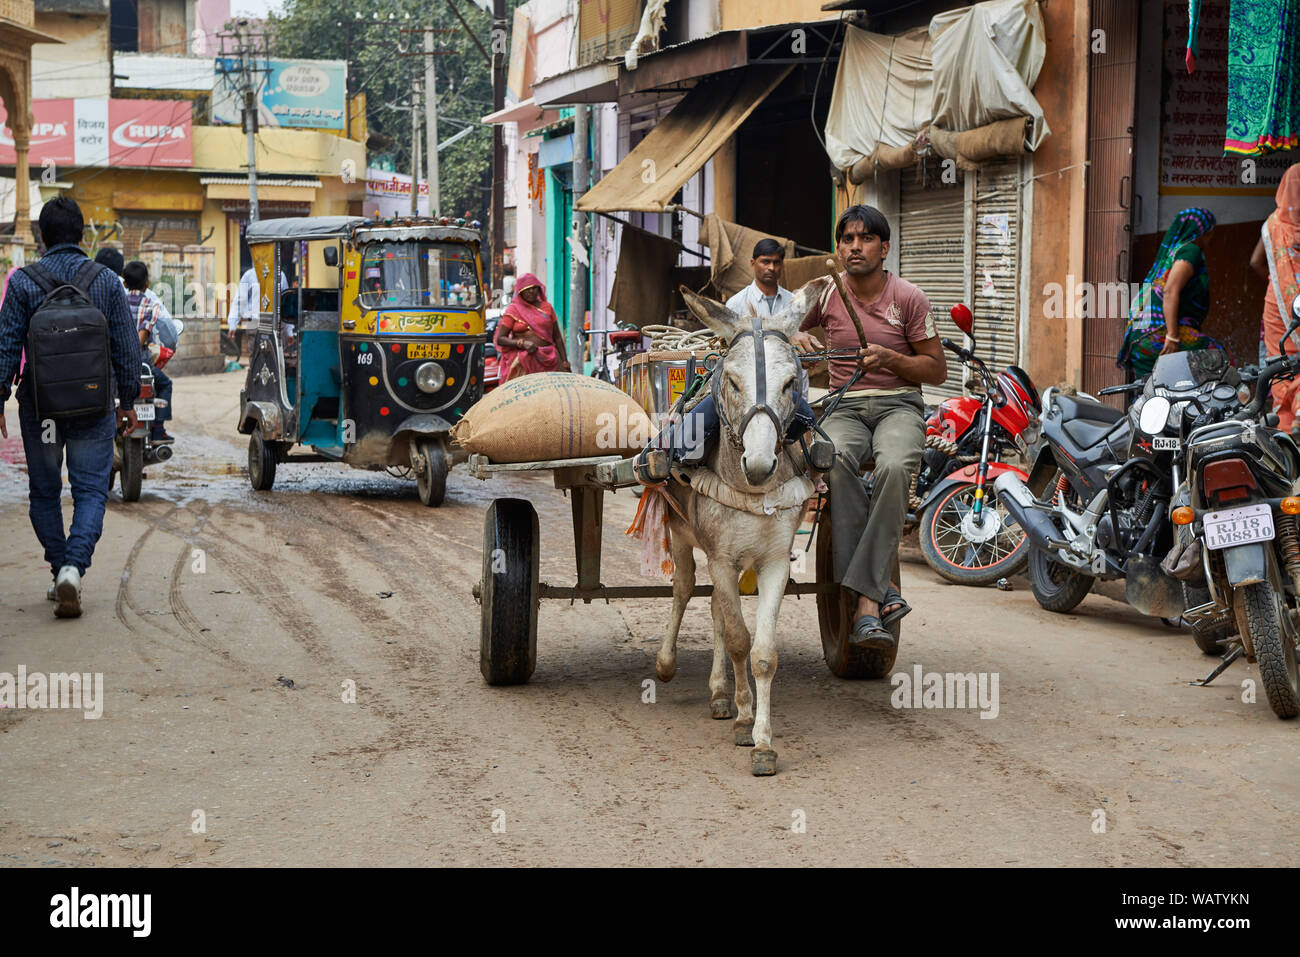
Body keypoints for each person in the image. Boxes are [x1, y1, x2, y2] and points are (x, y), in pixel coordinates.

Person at [789, 204, 946, 650]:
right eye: (847, 239)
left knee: (895, 467)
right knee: (832, 459)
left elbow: (936, 370)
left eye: (865, 239)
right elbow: (776, 328)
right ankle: (881, 589)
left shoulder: (909, 297)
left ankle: (865, 604)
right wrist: (795, 335)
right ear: (838, 248)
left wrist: (894, 358)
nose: (854, 247)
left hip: (899, 404)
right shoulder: (824, 292)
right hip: (845, 408)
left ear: (884, 248)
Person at [0, 197, 141, 618]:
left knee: (44, 492)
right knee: (90, 491)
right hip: (93, 404)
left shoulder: (23, 282)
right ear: (83, 235)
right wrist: (128, 400)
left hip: (41, 407)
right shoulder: (106, 282)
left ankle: (58, 566)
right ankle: (74, 569)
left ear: (42, 237)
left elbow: (7, 345)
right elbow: (126, 345)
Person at [1117, 207, 1217, 378]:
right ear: (1202, 232)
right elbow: (1170, 291)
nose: (1211, 237)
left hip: (1139, 339)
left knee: (1152, 390)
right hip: (1158, 336)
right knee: (1218, 356)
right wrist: (1172, 337)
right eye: (1210, 232)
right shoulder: (1189, 251)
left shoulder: (1171, 254)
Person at [1251, 164, 1300, 431]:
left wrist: (1279, 284)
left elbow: (1256, 262)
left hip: (1278, 305)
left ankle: (1284, 429)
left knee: (1280, 364)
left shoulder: (1272, 225)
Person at [122, 260, 174, 444]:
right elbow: (151, 335)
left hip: (118, 360)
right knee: (165, 384)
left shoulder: (117, 302)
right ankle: (159, 430)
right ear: (147, 284)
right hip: (142, 361)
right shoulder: (152, 305)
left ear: (124, 283)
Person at [493, 273, 570, 380]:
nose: (531, 291)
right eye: (527, 288)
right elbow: (500, 339)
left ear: (539, 289)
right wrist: (522, 344)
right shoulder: (513, 310)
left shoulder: (547, 307)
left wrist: (565, 361)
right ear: (520, 291)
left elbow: (557, 337)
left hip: (550, 358)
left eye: (534, 288)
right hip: (524, 362)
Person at [726, 238, 792, 318]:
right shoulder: (736, 304)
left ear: (782, 265)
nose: (772, 268)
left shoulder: (793, 302)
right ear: (753, 264)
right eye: (766, 262)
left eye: (776, 262)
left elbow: (801, 330)